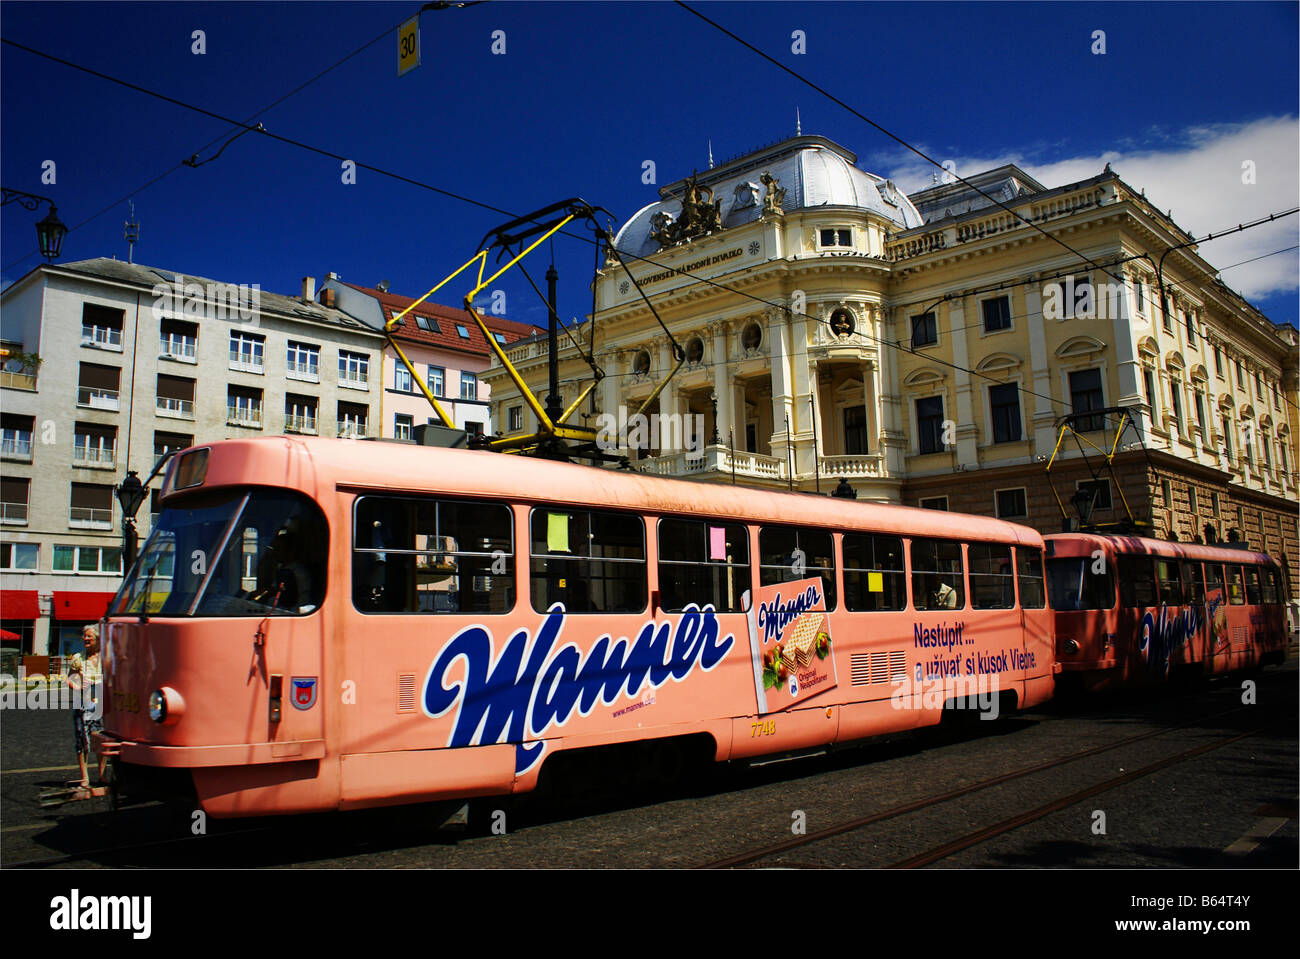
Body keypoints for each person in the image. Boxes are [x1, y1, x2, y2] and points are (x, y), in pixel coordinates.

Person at [66, 624, 105, 788]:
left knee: (101, 740)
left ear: (98, 639)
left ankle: (102, 776)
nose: (86, 639)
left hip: (101, 704)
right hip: (82, 704)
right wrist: (78, 687)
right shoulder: (78, 658)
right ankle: (85, 778)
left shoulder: (106, 659)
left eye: (90, 636)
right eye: (85, 636)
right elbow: (69, 678)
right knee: (82, 740)